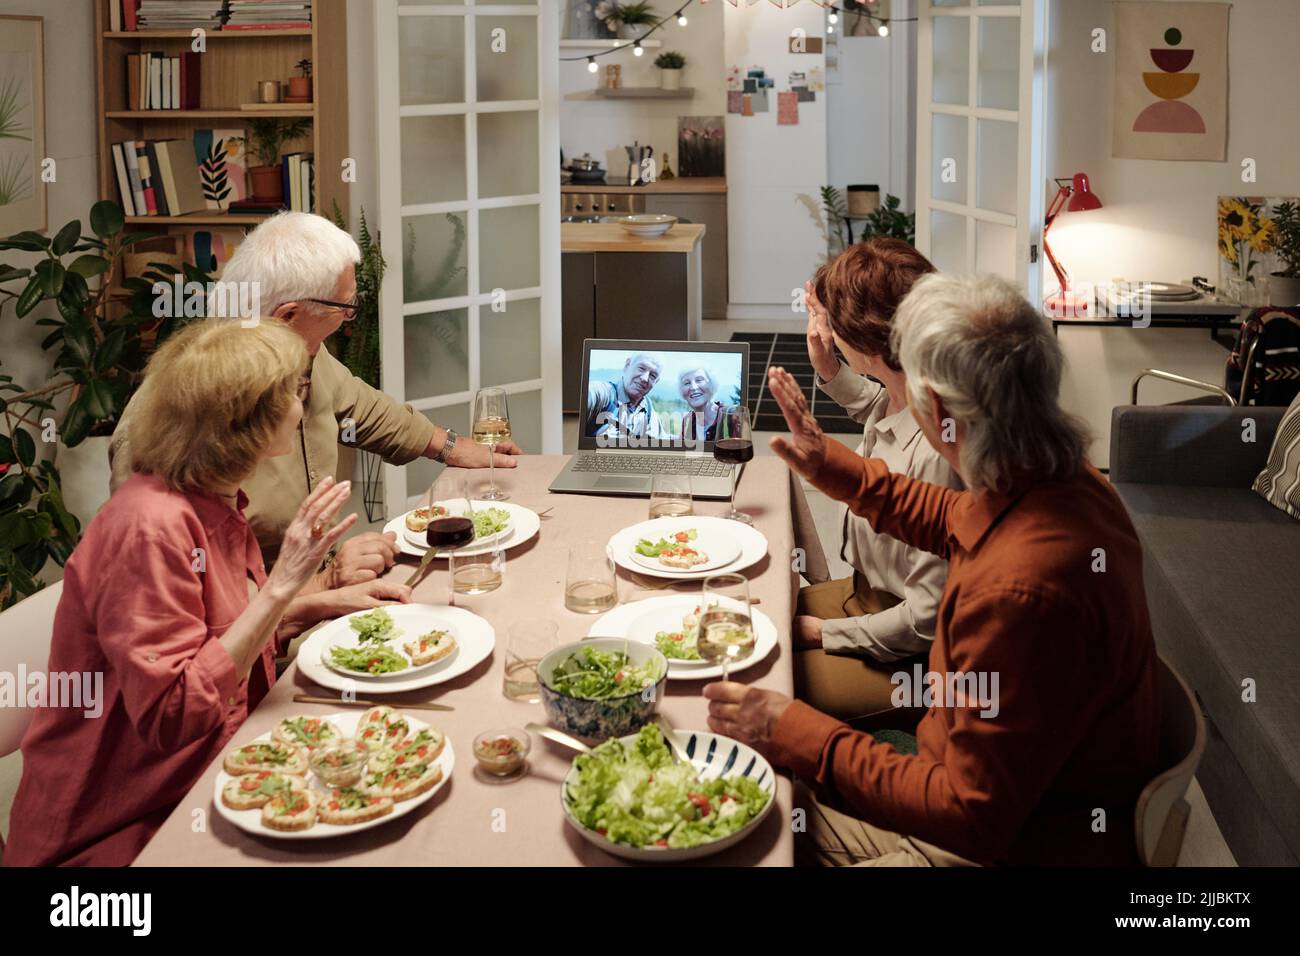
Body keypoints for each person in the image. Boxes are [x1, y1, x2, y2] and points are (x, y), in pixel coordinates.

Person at [706, 273, 1161, 866]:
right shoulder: (1056, 477)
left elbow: (970, 816)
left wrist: (801, 732)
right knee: (752, 796)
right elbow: (951, 516)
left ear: (937, 408)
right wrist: (833, 467)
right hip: (989, 787)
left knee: (741, 832)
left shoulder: (1016, 594)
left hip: (1006, 845)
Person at [5, 320, 411, 867]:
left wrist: (320, 597)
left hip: (212, 782)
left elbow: (220, 644)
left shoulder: (213, 502)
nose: (303, 403)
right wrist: (284, 584)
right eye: (293, 391)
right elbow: (175, 714)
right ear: (246, 424)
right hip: (120, 834)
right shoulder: (148, 528)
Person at [110, 211, 523, 576]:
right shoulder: (170, 419)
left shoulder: (297, 349)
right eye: (343, 308)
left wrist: (451, 447)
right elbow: (195, 607)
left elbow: (360, 405)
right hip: (262, 628)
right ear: (288, 316)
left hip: (309, 587)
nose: (348, 318)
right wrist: (325, 585)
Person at [796, 239, 961, 726]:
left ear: (868, 348)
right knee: (756, 620)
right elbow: (879, 410)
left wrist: (826, 636)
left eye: (836, 327)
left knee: (772, 677)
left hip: (915, 658)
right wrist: (829, 365)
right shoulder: (915, 384)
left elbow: (928, 622)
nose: (830, 333)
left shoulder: (939, 450)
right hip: (866, 595)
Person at [585, 352, 667, 444]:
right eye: (641, 368)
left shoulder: (648, 409)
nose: (645, 378)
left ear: (656, 382)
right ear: (627, 365)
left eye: (652, 375)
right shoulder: (603, 394)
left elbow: (663, 441)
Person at [678, 366, 723, 445]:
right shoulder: (687, 420)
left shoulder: (729, 416)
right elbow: (681, 450)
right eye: (687, 383)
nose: (693, 387)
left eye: (699, 380)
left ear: (712, 384)